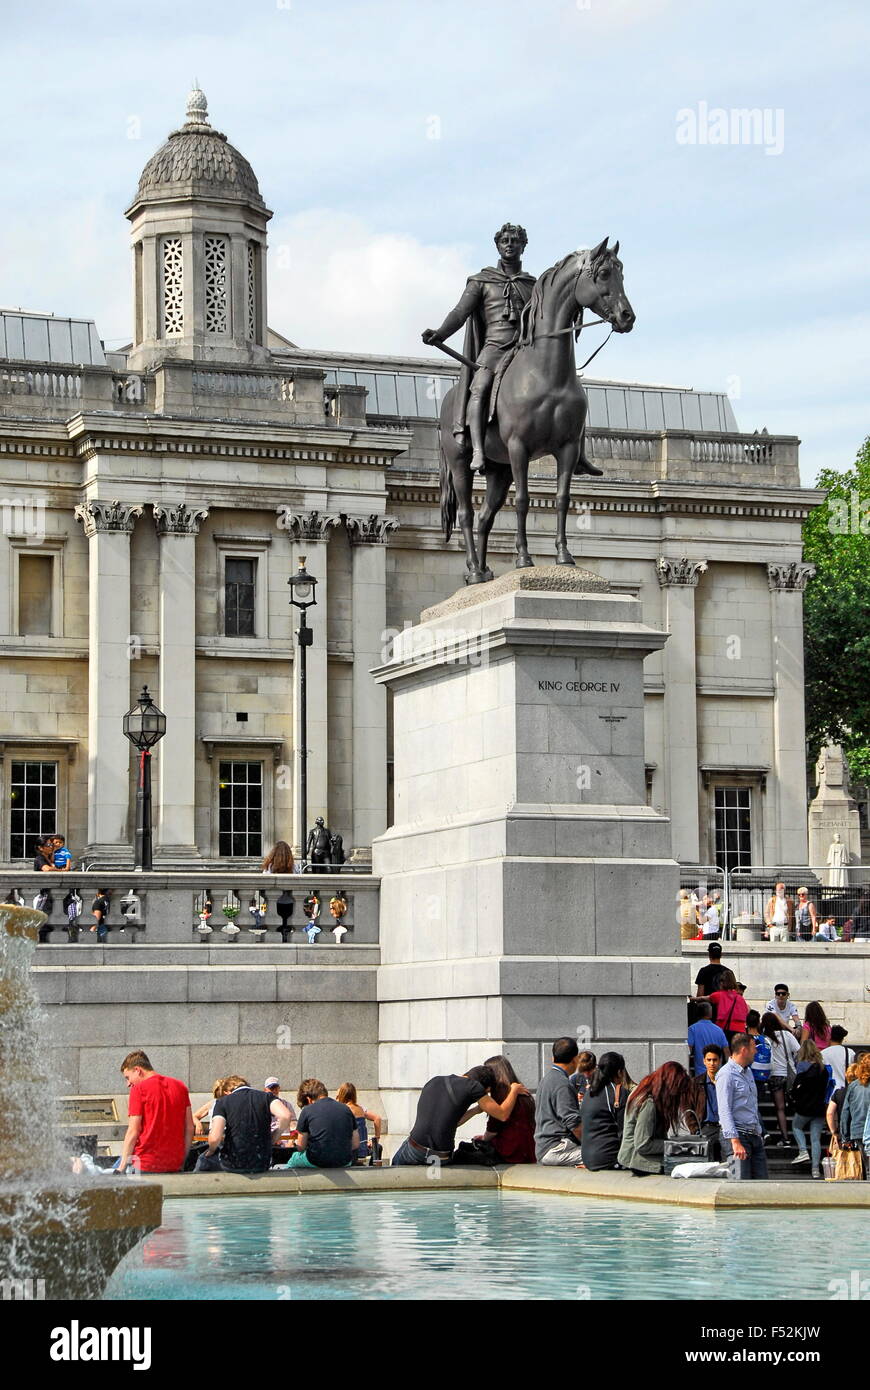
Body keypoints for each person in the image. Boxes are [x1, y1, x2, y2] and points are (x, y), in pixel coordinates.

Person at [422, 222, 539, 477]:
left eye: (515, 241)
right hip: (494, 348)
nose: (510, 245)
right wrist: (440, 333)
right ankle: (477, 449)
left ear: (523, 246)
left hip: (523, 350)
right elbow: (460, 313)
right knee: (480, 386)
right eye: (505, 241)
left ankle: (575, 451)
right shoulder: (481, 281)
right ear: (498, 245)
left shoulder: (534, 285)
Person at [393, 1064, 527, 1166]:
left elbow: (452, 1122)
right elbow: (502, 1114)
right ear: (485, 1088)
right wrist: (514, 1091)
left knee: (394, 1167)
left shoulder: (435, 1080)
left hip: (415, 1148)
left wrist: (475, 1110)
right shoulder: (474, 1087)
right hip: (441, 1157)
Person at [117, 1049, 194, 1174]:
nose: (128, 1084)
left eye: (128, 1077)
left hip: (145, 1164)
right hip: (174, 1164)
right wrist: (181, 1159)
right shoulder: (180, 1087)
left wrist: (121, 1167)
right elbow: (189, 1128)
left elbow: (133, 1131)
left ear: (137, 1070)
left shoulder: (139, 1090)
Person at [196, 1075, 293, 1172]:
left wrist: (211, 1150)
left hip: (233, 1163)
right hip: (262, 1162)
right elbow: (286, 1116)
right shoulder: (267, 1097)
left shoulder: (222, 1102)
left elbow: (215, 1138)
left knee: (203, 1160)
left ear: (227, 1091)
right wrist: (273, 1137)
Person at [618, 1060, 696, 1175]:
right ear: (670, 1088)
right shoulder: (648, 1103)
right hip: (637, 1159)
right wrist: (675, 1145)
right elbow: (643, 1144)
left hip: (639, 1156)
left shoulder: (646, 1092)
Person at [715, 1033, 768, 1179]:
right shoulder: (726, 1074)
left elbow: (752, 1104)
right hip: (737, 1135)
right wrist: (735, 1141)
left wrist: (758, 1131)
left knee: (762, 1185)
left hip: (753, 1134)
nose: (756, 1052)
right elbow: (724, 1109)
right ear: (744, 1050)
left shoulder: (748, 1071)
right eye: (753, 1048)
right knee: (740, 1185)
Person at [470, 1054, 537, 1164]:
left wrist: (484, 1138)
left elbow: (494, 1126)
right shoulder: (522, 1092)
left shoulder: (500, 1095)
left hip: (509, 1150)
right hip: (528, 1149)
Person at [284, 1079, 358, 1168]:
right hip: (344, 1161)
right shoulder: (346, 1109)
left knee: (294, 1158)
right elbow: (355, 1144)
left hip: (317, 1160)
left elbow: (301, 1147)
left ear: (308, 1099)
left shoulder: (307, 1110)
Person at [534, 1038, 585, 1166]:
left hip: (543, 1147)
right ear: (575, 1059)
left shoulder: (547, 1079)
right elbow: (573, 1122)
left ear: (553, 1058)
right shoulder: (562, 1084)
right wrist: (591, 1145)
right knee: (604, 1156)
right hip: (556, 1148)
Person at [790, 1040, 834, 1178]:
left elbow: (797, 1088)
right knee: (816, 1139)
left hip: (804, 1106)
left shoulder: (802, 1066)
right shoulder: (824, 1069)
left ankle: (803, 1150)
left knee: (796, 1126)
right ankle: (815, 1170)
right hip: (820, 1107)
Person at [579, 1052, 629, 1172]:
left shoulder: (589, 1092)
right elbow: (625, 1132)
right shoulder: (618, 1092)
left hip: (587, 1159)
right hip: (608, 1160)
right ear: (619, 1072)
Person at [762, 1010, 800, 1145]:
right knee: (795, 1104)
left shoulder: (765, 1038)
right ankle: (798, 1135)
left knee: (780, 1108)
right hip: (790, 1075)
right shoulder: (786, 1035)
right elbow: (798, 1051)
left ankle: (785, 1137)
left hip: (774, 1075)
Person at [335, 1082, 382, 1163]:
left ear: (342, 1095)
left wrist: (337, 1099)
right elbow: (377, 1118)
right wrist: (376, 1139)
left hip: (350, 1150)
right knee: (378, 1147)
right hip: (363, 1149)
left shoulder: (342, 1110)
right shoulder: (361, 1109)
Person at [692, 1044, 725, 1145]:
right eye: (709, 1060)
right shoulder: (696, 1083)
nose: (712, 1063)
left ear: (720, 1061)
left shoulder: (726, 1081)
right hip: (705, 1128)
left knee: (727, 1160)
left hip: (724, 1128)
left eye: (715, 1060)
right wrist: (695, 1130)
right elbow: (688, 1108)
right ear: (704, 1061)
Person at [745, 1010, 772, 1133]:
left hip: (750, 1074)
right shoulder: (765, 1039)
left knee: (752, 1105)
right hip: (763, 1075)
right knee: (755, 1104)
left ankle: (763, 1131)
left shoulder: (746, 1039)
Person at [686, 1001, 729, 1075]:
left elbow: (688, 1051)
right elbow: (727, 1052)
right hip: (718, 1074)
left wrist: (687, 1069)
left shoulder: (692, 1029)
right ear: (711, 1014)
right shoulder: (719, 1030)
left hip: (700, 1074)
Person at [707, 968, 749, 1042]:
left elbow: (704, 998)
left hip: (725, 1030)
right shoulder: (741, 999)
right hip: (741, 1032)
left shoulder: (718, 995)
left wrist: (694, 999)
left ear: (722, 983)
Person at [840, 1051, 870, 1145]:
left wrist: (845, 1136)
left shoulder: (854, 1086)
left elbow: (845, 1111)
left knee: (865, 1159)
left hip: (858, 1130)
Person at [826, 1061, 859, 1146]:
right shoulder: (863, 1092)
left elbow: (830, 1113)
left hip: (844, 1133)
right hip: (860, 1131)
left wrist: (834, 1132)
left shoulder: (838, 1093)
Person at [264, 1077, 298, 1153]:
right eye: (271, 1088)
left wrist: (291, 1141)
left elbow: (294, 1125)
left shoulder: (286, 1105)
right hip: (269, 1143)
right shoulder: (262, 1106)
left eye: (276, 1088)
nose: (274, 1091)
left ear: (279, 1089)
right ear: (265, 1090)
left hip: (286, 1142)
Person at [822, 1025, 855, 1090]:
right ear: (842, 1039)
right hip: (844, 1091)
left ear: (829, 1037)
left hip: (828, 1092)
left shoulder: (823, 1053)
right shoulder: (850, 1052)